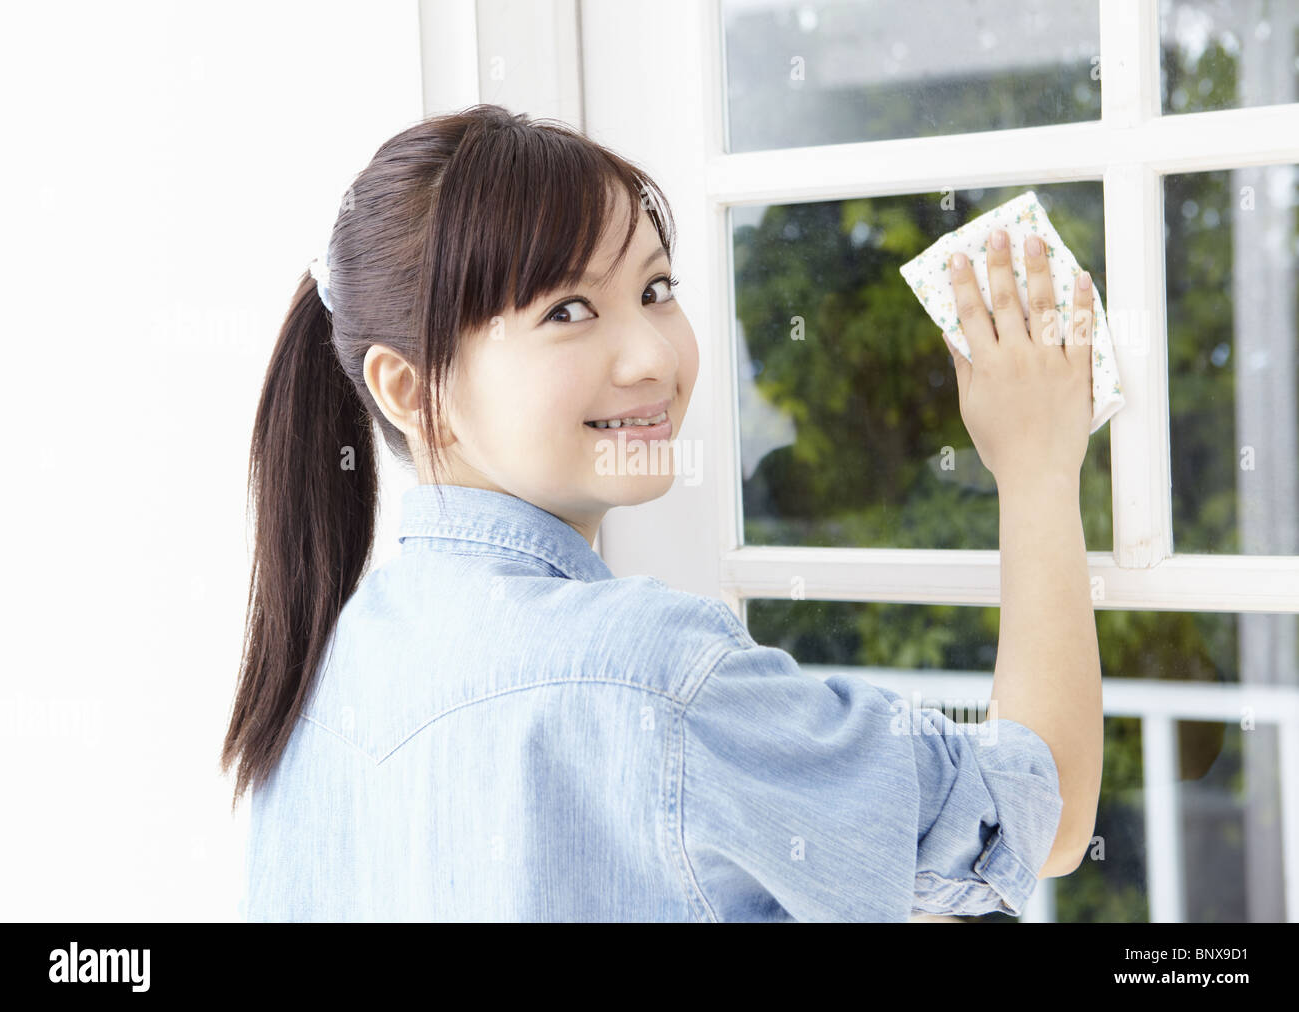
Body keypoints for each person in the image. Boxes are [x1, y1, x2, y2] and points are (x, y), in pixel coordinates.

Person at [220, 103, 1101, 922]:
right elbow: (1043, 811)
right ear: (409, 389)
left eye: (654, 289)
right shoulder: (658, 675)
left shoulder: (315, 677)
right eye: (567, 310)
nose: (650, 355)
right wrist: (1036, 468)